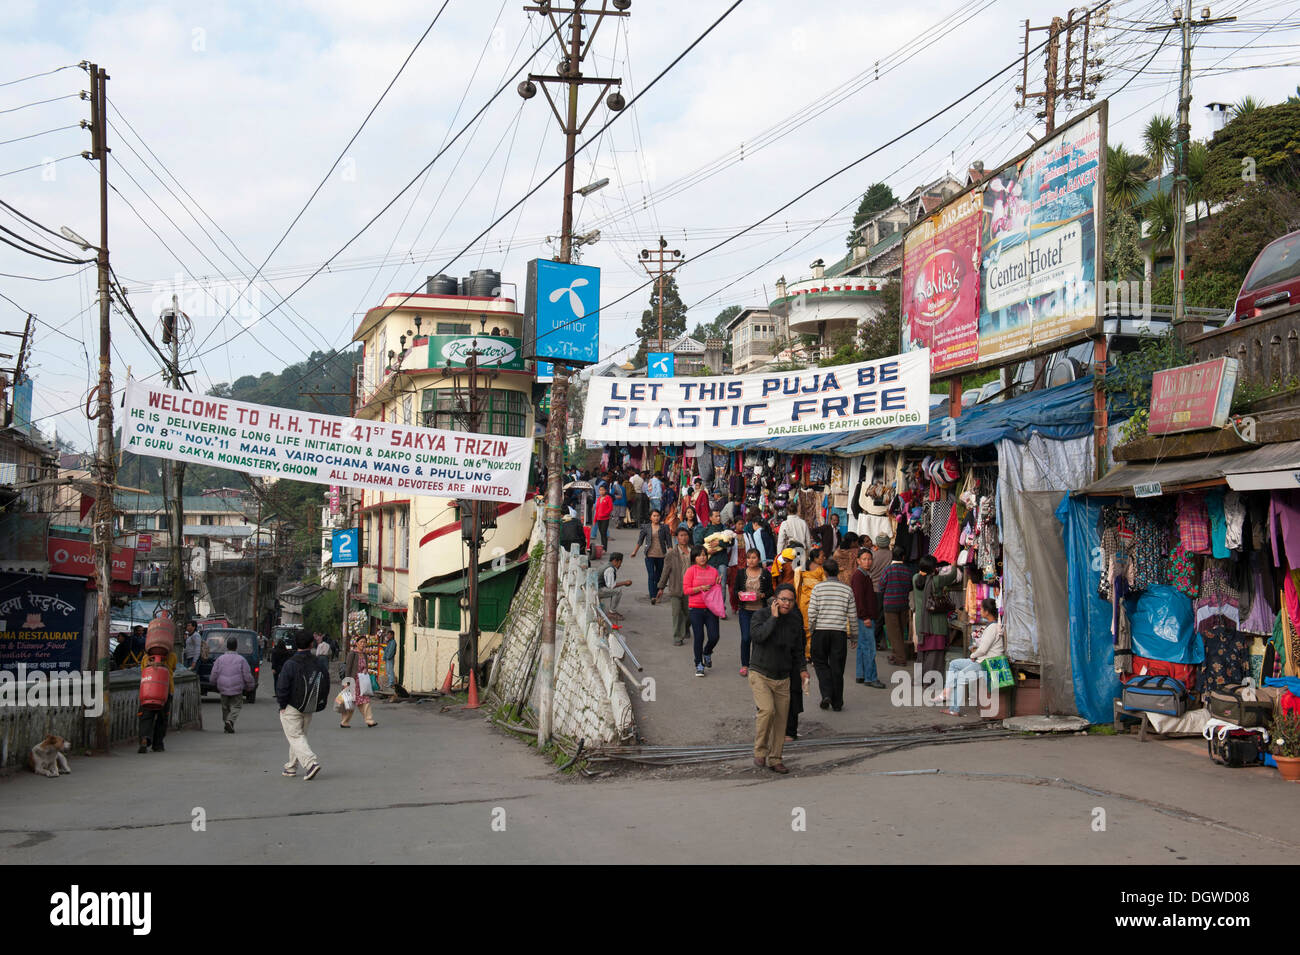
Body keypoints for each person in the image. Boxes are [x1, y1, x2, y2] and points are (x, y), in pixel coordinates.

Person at [747, 584, 808, 774]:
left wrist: (803, 670)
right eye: (783, 599)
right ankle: (760, 751)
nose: (786, 604)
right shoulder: (761, 615)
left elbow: (798, 648)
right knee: (767, 710)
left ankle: (775, 759)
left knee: (782, 719)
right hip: (760, 673)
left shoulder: (795, 620)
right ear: (775, 599)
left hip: (783, 677)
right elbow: (758, 637)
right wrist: (773, 618)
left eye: (790, 600)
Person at [276, 630, 329, 779]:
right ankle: (291, 767)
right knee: (300, 736)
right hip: (310, 704)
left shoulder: (291, 664)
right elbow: (326, 682)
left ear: (295, 644)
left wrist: (282, 704)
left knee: (295, 736)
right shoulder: (318, 662)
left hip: (292, 705)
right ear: (311, 644)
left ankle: (311, 763)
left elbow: (282, 686)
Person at [808, 558, 857, 709]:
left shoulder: (818, 588)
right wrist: (854, 635)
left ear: (824, 572)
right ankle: (837, 702)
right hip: (839, 633)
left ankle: (827, 694)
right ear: (837, 572)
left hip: (821, 631)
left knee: (821, 664)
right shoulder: (847, 589)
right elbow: (853, 615)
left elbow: (812, 612)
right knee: (837, 667)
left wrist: (811, 629)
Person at [942, 598, 1005, 716]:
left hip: (987, 663)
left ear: (987, 612)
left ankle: (954, 709)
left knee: (960, 677)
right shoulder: (992, 625)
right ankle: (947, 691)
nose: (980, 611)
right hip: (981, 659)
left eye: (981, 609)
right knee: (954, 664)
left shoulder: (992, 627)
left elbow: (983, 650)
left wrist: (973, 654)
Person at [912, 555, 962, 685]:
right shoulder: (936, 581)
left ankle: (918, 679)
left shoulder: (915, 579)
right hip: (935, 624)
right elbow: (951, 576)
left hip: (920, 623)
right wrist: (954, 565)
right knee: (934, 654)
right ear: (933, 568)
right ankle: (929, 681)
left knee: (922, 652)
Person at [732, 548, 774, 676]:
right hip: (745, 610)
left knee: (758, 639)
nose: (751, 560)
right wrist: (739, 593)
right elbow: (735, 590)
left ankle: (756, 664)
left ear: (759, 559)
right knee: (746, 638)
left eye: (754, 557)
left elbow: (770, 591)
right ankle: (745, 665)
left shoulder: (765, 573)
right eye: (749, 558)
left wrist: (762, 595)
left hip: (760, 611)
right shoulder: (741, 573)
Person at [683, 545, 723, 677]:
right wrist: (700, 588)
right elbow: (686, 590)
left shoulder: (713, 570)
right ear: (694, 557)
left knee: (714, 636)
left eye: (704, 554)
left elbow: (715, 588)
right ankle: (699, 664)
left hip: (711, 608)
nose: (702, 557)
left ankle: (707, 651)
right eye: (699, 555)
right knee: (699, 637)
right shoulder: (691, 571)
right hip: (696, 608)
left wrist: (718, 583)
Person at [851, 549, 886, 688]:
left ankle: (861, 674)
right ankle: (871, 677)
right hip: (864, 617)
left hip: (865, 616)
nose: (868, 562)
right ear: (858, 560)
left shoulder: (865, 575)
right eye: (864, 559)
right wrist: (865, 616)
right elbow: (859, 599)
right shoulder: (859, 576)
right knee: (869, 648)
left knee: (863, 646)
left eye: (869, 559)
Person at [210, 634, 256, 733]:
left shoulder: (220, 659)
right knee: (237, 705)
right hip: (237, 687)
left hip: (223, 687)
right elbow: (247, 675)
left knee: (225, 707)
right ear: (236, 647)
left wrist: (212, 682)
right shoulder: (241, 660)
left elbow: (214, 673)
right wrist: (250, 686)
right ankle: (230, 721)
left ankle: (227, 723)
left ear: (227, 646)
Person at [657, 526, 694, 646]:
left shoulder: (694, 552)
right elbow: (665, 571)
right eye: (681, 535)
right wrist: (661, 587)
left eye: (686, 535)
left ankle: (685, 627)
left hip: (691, 588)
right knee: (677, 612)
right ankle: (678, 636)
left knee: (689, 614)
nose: (684, 538)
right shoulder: (671, 554)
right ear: (677, 538)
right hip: (676, 587)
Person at [137, 647, 176, 754]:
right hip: (166, 691)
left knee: (145, 717)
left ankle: (144, 738)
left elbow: (143, 670)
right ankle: (158, 745)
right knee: (162, 719)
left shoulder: (146, 657)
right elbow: (173, 668)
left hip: (148, 690)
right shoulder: (171, 656)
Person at [880, 545, 914, 666]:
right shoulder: (907, 570)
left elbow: (881, 586)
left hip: (890, 605)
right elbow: (910, 587)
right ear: (903, 557)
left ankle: (900, 658)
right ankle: (896, 654)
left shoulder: (888, 570)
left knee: (893, 633)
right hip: (903, 604)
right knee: (900, 631)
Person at [632, 508, 671, 599]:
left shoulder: (664, 527)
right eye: (654, 516)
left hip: (661, 555)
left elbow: (669, 541)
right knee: (651, 575)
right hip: (649, 555)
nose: (656, 518)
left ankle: (657, 592)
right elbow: (640, 541)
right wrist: (635, 552)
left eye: (658, 516)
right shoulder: (646, 527)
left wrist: (671, 552)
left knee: (659, 575)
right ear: (650, 517)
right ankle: (652, 596)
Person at [341, 637, 378, 728]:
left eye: (364, 642)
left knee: (365, 700)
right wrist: (346, 682)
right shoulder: (352, 654)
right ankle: (344, 722)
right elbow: (348, 668)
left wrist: (366, 670)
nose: (363, 644)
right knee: (350, 702)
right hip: (353, 682)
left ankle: (369, 720)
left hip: (362, 682)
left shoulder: (364, 654)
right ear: (356, 643)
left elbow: (365, 666)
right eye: (361, 642)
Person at [796, 546, 826, 653]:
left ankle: (806, 652)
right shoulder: (821, 570)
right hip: (816, 601)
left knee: (806, 626)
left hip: (804, 601)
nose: (824, 558)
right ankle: (812, 652)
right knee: (815, 627)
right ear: (815, 558)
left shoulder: (802, 568)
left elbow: (797, 585)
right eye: (822, 556)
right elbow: (824, 585)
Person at [598, 552, 633, 619]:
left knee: (614, 591)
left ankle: (611, 611)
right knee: (618, 591)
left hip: (596, 588)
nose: (620, 565)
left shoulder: (607, 565)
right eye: (620, 562)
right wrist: (624, 583)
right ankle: (612, 613)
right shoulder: (610, 569)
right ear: (615, 561)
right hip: (598, 590)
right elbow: (611, 586)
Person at [592, 484, 613, 549]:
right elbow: (597, 510)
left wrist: (604, 514)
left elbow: (610, 508)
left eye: (603, 490)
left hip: (605, 518)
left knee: (604, 533)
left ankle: (604, 548)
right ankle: (603, 546)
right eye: (600, 490)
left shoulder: (608, 498)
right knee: (601, 533)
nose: (601, 491)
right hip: (599, 518)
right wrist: (595, 520)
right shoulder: (598, 499)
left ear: (605, 491)